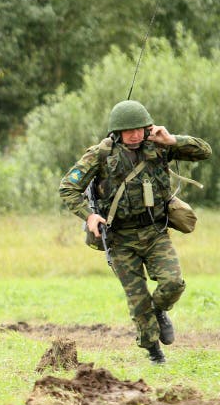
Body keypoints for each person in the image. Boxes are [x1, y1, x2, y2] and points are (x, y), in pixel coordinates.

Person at [59, 100, 211, 363]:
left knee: (173, 283)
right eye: (128, 130)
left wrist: (173, 139)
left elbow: (204, 151)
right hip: (120, 239)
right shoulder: (101, 154)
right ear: (117, 132)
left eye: (140, 128)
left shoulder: (159, 147)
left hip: (155, 232)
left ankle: (160, 310)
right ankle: (154, 354)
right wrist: (90, 215)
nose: (135, 134)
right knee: (137, 299)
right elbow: (67, 187)